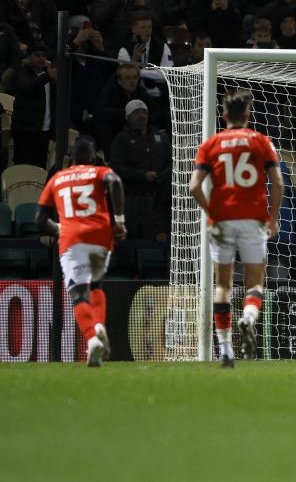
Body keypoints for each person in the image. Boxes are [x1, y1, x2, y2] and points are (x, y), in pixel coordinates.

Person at [188, 89, 283, 367]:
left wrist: (212, 212)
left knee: (223, 285)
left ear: (224, 114)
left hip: (222, 220)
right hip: (253, 219)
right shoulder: (261, 141)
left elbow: (194, 186)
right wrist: (273, 217)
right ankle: (249, 318)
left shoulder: (211, 144)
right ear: (248, 114)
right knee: (255, 282)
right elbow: (278, 182)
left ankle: (226, 349)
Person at [36, 137, 126, 367]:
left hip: (72, 239)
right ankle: (99, 325)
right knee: (95, 286)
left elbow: (40, 219)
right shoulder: (99, 172)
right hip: (101, 236)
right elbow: (115, 181)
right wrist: (118, 220)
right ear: (93, 156)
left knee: (78, 293)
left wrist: (59, 228)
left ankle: (92, 338)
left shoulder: (57, 178)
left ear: (71, 158)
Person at [108, 99, 169, 241]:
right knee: (129, 238)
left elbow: (171, 162)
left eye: (144, 112)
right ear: (128, 117)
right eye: (136, 112)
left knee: (153, 238)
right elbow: (116, 168)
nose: (141, 115)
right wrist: (142, 175)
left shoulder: (161, 137)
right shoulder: (121, 139)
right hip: (131, 199)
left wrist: (161, 175)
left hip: (157, 198)